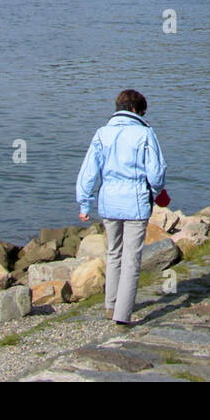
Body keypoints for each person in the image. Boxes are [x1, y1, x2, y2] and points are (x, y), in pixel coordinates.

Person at [75, 88, 167, 325]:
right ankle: (122, 315)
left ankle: (110, 305)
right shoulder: (145, 133)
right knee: (131, 259)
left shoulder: (101, 134)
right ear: (137, 110)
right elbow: (156, 174)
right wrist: (155, 193)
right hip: (135, 202)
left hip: (109, 202)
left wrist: (85, 203)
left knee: (113, 253)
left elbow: (88, 172)